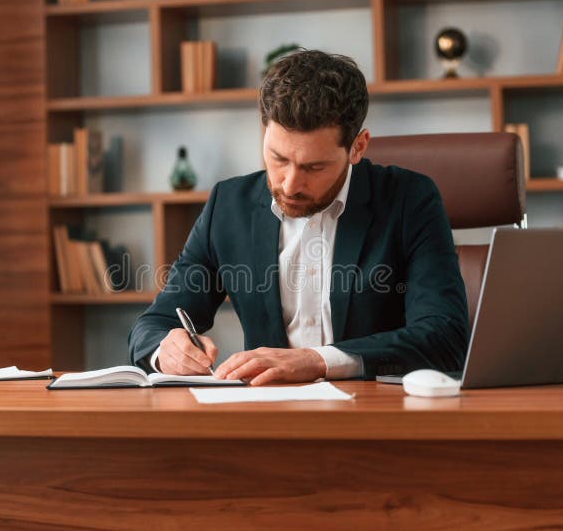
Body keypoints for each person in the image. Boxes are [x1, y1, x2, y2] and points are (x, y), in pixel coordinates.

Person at [128, 50, 468, 386]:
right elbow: (153, 324)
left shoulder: (411, 200)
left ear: (358, 147)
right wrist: (166, 348)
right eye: (277, 158)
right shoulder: (228, 205)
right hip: (268, 417)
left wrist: (318, 360)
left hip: (374, 413)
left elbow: (444, 337)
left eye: (313, 167)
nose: (290, 184)